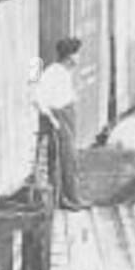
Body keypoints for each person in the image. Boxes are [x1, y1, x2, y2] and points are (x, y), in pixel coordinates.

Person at [33, 37, 89, 210]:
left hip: (67, 117)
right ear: (70, 56)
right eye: (77, 54)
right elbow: (38, 98)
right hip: (60, 118)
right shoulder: (53, 73)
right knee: (64, 159)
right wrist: (52, 120)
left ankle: (72, 196)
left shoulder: (65, 73)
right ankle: (68, 199)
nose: (79, 58)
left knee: (71, 158)